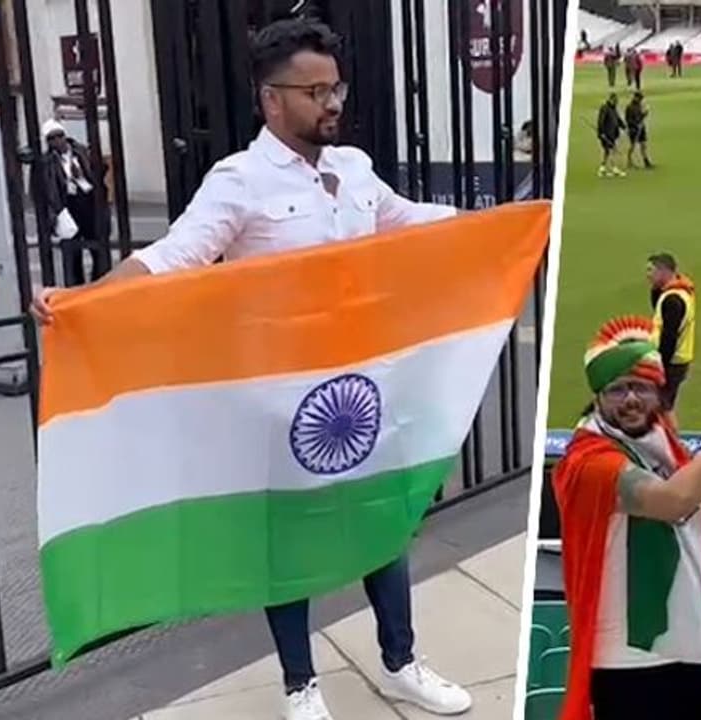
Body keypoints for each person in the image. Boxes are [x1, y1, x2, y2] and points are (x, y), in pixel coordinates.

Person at [29, 18, 472, 720]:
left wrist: (501, 223)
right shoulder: (238, 181)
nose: (333, 103)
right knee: (286, 543)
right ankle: (301, 685)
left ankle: (401, 661)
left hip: (361, 390)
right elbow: (173, 257)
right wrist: (87, 301)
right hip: (279, 402)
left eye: (337, 88)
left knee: (382, 526)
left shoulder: (354, 169)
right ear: (272, 100)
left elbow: (407, 219)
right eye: (315, 91)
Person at [551, 315, 701, 720]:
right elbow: (673, 501)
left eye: (641, 387)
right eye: (618, 389)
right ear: (598, 397)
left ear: (659, 394)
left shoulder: (660, 445)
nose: (630, 399)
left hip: (690, 650)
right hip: (632, 663)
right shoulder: (591, 463)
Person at [36, 119, 111, 287]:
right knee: (72, 250)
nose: (57, 141)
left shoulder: (81, 151)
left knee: (97, 245)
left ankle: (97, 283)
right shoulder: (48, 161)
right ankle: (76, 286)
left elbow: (100, 168)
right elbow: (47, 186)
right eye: (52, 138)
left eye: (59, 136)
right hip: (69, 205)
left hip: (89, 200)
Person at [646, 253, 695, 429]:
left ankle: (675, 446)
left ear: (664, 271)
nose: (648, 275)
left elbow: (669, 337)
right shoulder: (680, 292)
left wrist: (660, 366)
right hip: (680, 358)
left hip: (672, 362)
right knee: (662, 405)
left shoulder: (673, 300)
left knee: (663, 407)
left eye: (651, 270)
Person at [596, 93, 625, 178]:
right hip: (606, 134)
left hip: (612, 133)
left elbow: (617, 119)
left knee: (607, 152)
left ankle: (602, 169)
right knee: (613, 150)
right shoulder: (605, 108)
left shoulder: (613, 108)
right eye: (615, 100)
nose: (617, 102)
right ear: (611, 99)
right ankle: (614, 169)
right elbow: (601, 121)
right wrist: (601, 133)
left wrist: (623, 126)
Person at [625, 92, 654, 170]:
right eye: (639, 99)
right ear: (635, 97)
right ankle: (629, 161)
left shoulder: (639, 106)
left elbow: (640, 116)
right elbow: (628, 120)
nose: (640, 100)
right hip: (634, 129)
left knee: (643, 145)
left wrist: (645, 114)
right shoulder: (629, 107)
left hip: (641, 128)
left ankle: (646, 161)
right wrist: (635, 125)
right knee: (632, 146)